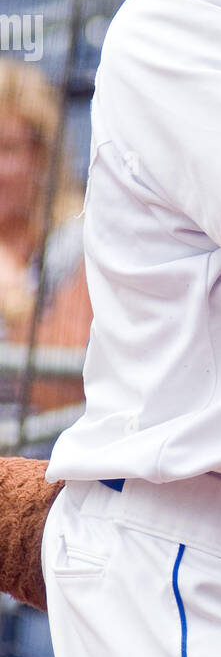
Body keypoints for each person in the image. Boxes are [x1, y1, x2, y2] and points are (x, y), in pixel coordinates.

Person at [0, 61, 90, 412]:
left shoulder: (74, 242)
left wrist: (15, 301)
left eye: (6, 149)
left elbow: (61, 399)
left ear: (41, 154)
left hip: (38, 454)